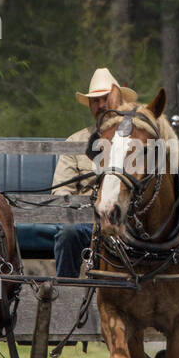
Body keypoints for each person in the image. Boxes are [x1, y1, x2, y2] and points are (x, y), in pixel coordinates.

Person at [17, 68, 137, 279]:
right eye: (94, 101)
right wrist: (87, 210)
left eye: (105, 99)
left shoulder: (136, 140)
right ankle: (65, 295)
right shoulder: (75, 142)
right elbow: (61, 191)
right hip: (86, 220)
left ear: (118, 101)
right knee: (68, 232)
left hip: (127, 218)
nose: (100, 105)